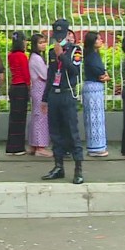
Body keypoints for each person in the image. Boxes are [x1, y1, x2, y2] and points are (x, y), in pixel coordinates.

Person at [41, 19, 85, 184]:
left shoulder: (76, 51)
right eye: (56, 36)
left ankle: (78, 169)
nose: (58, 39)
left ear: (67, 34)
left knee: (71, 132)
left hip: (68, 94)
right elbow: (51, 76)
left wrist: (62, 55)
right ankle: (58, 166)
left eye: (61, 35)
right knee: (55, 133)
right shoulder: (52, 52)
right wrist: (45, 99)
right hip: (54, 95)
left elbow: (75, 71)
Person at [82, 31, 110, 157]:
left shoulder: (93, 54)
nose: (101, 41)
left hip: (94, 87)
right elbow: (99, 71)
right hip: (93, 88)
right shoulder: (92, 56)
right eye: (98, 39)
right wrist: (103, 75)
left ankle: (97, 146)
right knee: (95, 119)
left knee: (95, 118)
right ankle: (96, 148)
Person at [6, 31, 30, 156]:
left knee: (13, 118)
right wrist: (29, 85)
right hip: (21, 87)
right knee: (21, 119)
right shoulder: (22, 56)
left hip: (13, 86)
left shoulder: (10, 55)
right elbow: (26, 74)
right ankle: (18, 147)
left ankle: (11, 146)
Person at [27, 33, 51, 157]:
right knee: (41, 117)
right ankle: (40, 147)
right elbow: (45, 75)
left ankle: (34, 145)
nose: (43, 45)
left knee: (37, 116)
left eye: (44, 42)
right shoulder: (36, 58)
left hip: (38, 88)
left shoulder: (35, 57)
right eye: (40, 43)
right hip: (40, 88)